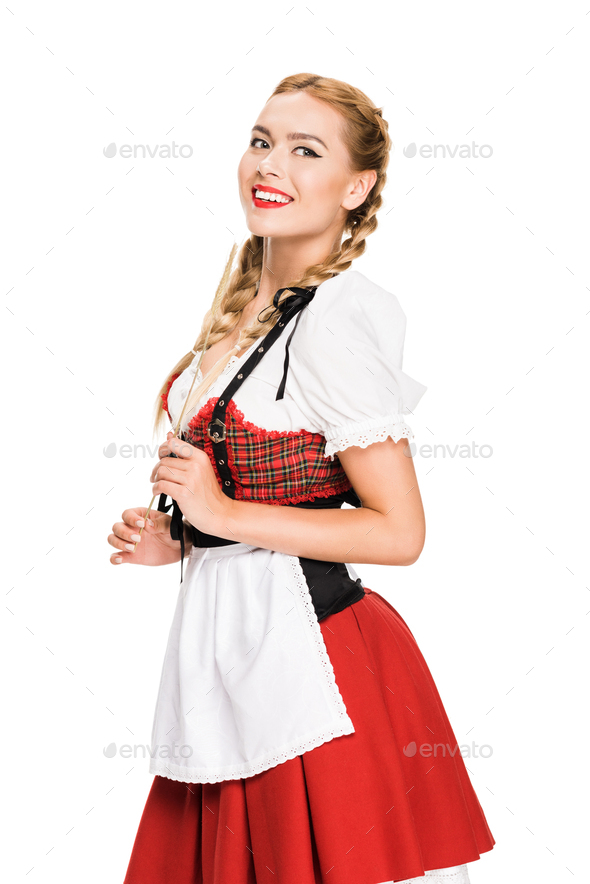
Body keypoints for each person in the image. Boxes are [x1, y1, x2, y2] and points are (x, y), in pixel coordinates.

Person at [109, 73, 495, 884]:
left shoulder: (334, 319)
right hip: (221, 668)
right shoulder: (243, 307)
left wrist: (221, 511)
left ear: (357, 188)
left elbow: (400, 532)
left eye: (305, 150)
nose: (270, 164)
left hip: (316, 670)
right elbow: (268, 499)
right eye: (261, 141)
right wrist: (183, 537)